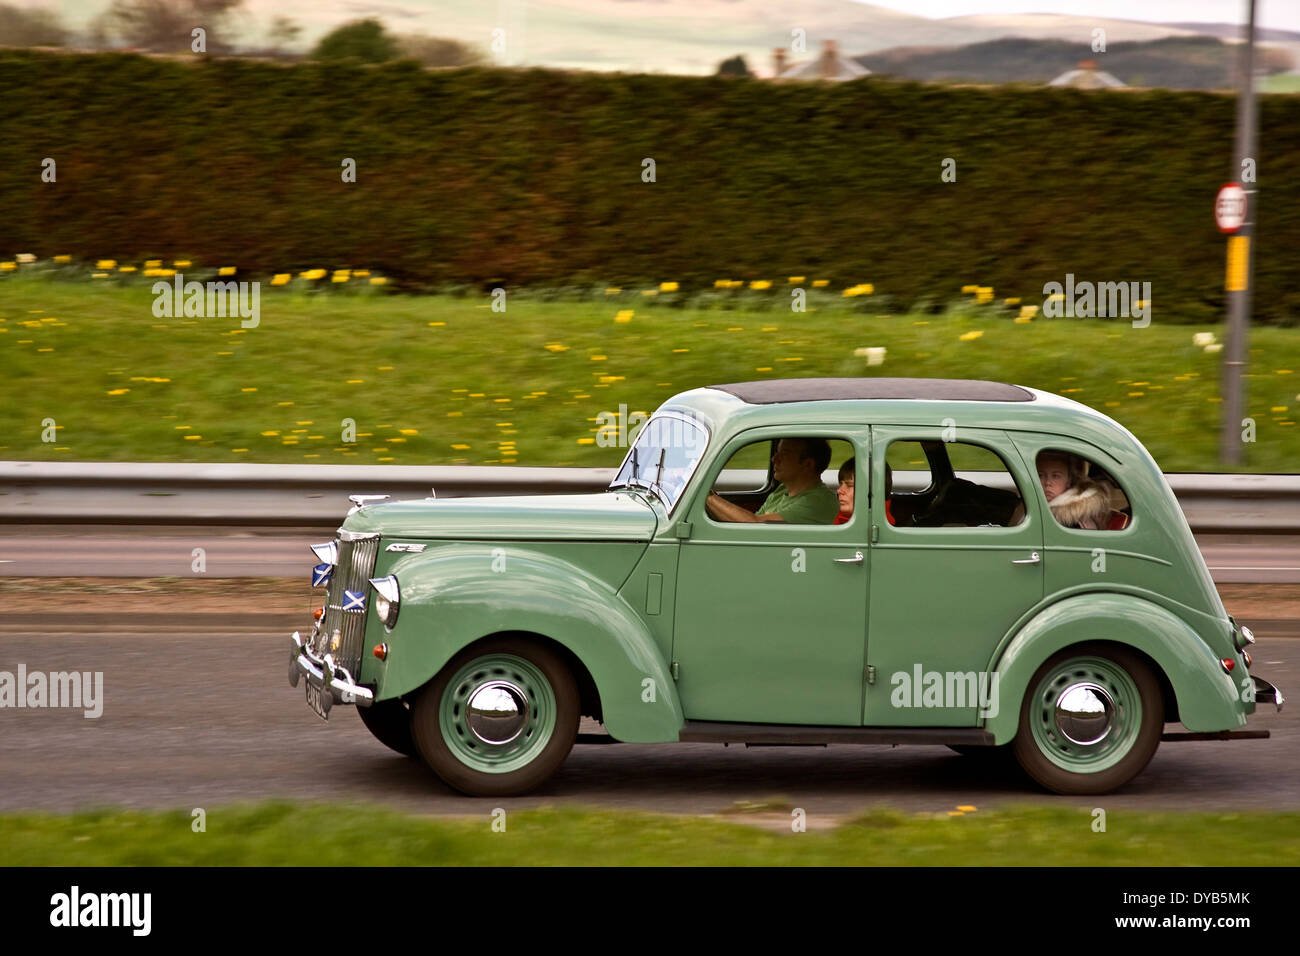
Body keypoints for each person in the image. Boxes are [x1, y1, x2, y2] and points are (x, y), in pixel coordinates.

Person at [706, 437, 837, 524]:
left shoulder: (817, 502)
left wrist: (707, 496)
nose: (774, 459)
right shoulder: (782, 490)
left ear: (808, 464)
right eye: (776, 453)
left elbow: (755, 525)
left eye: (784, 454)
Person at [1037, 451, 1125, 529]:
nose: (1048, 483)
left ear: (1068, 481)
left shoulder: (1072, 521)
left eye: (1056, 476)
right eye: (1040, 475)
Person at [832, 458, 892, 525]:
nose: (839, 491)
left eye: (849, 485)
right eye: (840, 484)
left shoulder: (879, 530)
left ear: (871, 492)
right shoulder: (840, 519)